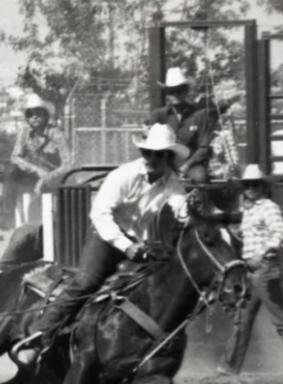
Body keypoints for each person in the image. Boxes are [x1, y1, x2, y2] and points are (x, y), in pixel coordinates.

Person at [12, 123, 190, 366]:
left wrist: (192, 218)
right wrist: (125, 246)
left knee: (157, 284)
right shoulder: (123, 176)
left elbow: (182, 211)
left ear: (167, 157)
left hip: (136, 243)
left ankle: (136, 348)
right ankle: (37, 337)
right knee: (86, 282)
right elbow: (99, 214)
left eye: (158, 154)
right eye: (147, 152)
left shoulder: (173, 184)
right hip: (106, 238)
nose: (150, 158)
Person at [218, 165, 283, 376]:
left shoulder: (268, 207)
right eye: (248, 185)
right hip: (252, 270)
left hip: (266, 268)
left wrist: (262, 254)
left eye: (255, 184)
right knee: (242, 317)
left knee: (280, 318)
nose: (251, 188)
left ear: (263, 187)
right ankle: (229, 368)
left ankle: (230, 367)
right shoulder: (249, 209)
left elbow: (280, 233)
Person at [0, 93, 70, 230]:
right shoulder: (24, 132)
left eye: (39, 113)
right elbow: (15, 157)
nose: (35, 117)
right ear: (27, 118)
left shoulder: (56, 134)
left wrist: (46, 177)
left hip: (53, 176)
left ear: (46, 116)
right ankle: (6, 216)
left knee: (37, 203)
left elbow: (67, 164)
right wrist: (36, 170)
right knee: (11, 170)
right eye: (31, 114)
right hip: (34, 174)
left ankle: (39, 227)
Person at [147, 67, 214, 184]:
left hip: (191, 163)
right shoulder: (158, 116)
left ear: (186, 91)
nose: (176, 94)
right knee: (148, 175)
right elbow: (150, 143)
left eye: (180, 90)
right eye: (172, 91)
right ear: (167, 93)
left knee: (200, 177)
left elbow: (203, 147)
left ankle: (200, 201)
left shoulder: (199, 115)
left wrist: (187, 165)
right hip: (165, 162)